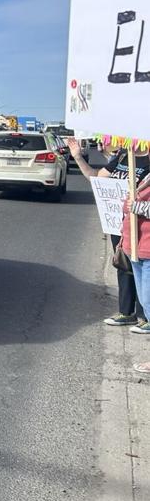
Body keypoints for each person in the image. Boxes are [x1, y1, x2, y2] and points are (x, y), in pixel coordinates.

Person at [69, 137, 150, 330]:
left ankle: (144, 316)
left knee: (145, 272)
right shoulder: (123, 156)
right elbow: (96, 178)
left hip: (143, 229)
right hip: (121, 224)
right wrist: (78, 158)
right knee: (125, 266)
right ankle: (126, 312)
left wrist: (137, 206)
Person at [122, 173, 150, 376]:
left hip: (148, 251)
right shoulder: (146, 176)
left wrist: (137, 207)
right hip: (136, 250)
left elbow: (134, 207)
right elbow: (127, 206)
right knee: (147, 304)